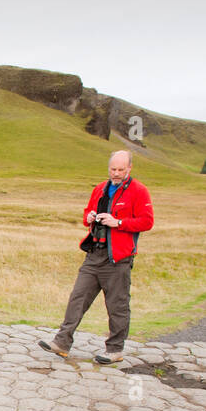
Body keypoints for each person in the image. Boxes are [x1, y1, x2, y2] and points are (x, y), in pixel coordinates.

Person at [41, 150, 153, 363]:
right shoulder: (100, 189)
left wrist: (118, 222)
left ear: (129, 168)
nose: (116, 173)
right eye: (113, 169)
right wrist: (90, 217)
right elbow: (86, 214)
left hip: (118, 258)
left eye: (121, 169)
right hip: (95, 253)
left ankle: (114, 350)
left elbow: (147, 221)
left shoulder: (139, 191)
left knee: (117, 305)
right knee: (78, 297)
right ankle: (61, 342)